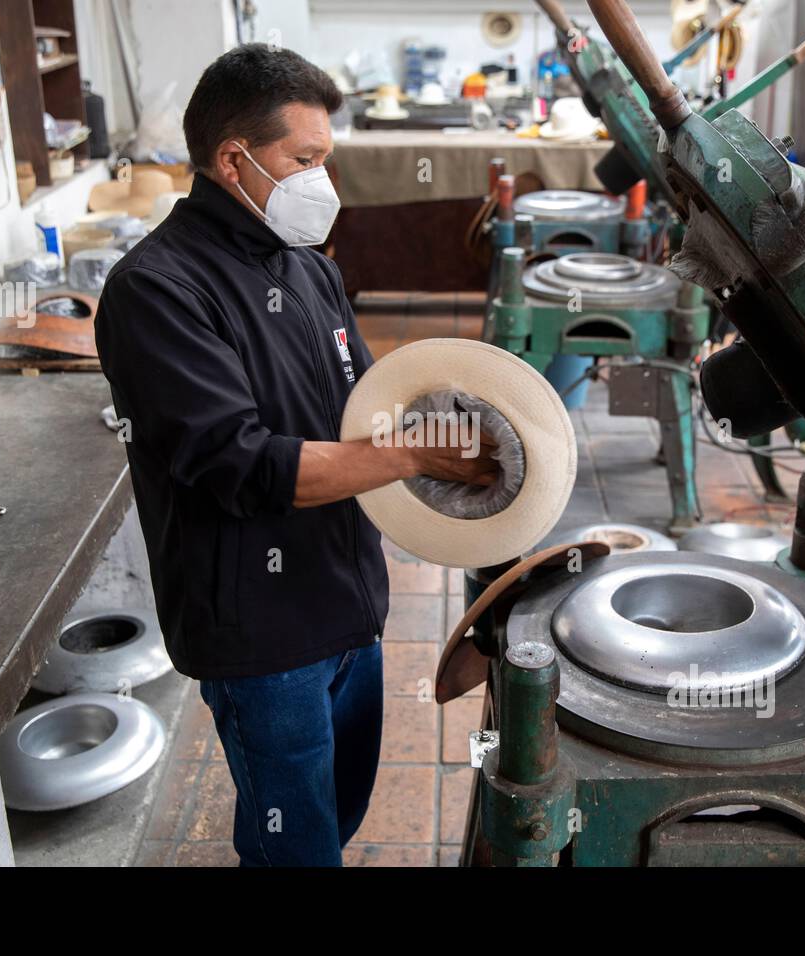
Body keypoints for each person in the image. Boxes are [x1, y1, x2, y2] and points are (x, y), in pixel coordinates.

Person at [94, 43, 496, 866]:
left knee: (334, 815)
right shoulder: (158, 290)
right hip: (261, 632)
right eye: (305, 160)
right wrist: (418, 455)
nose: (324, 182)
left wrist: (449, 415)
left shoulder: (308, 267)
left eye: (327, 159)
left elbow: (359, 403)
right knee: (297, 845)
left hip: (347, 598)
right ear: (233, 160)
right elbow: (244, 463)